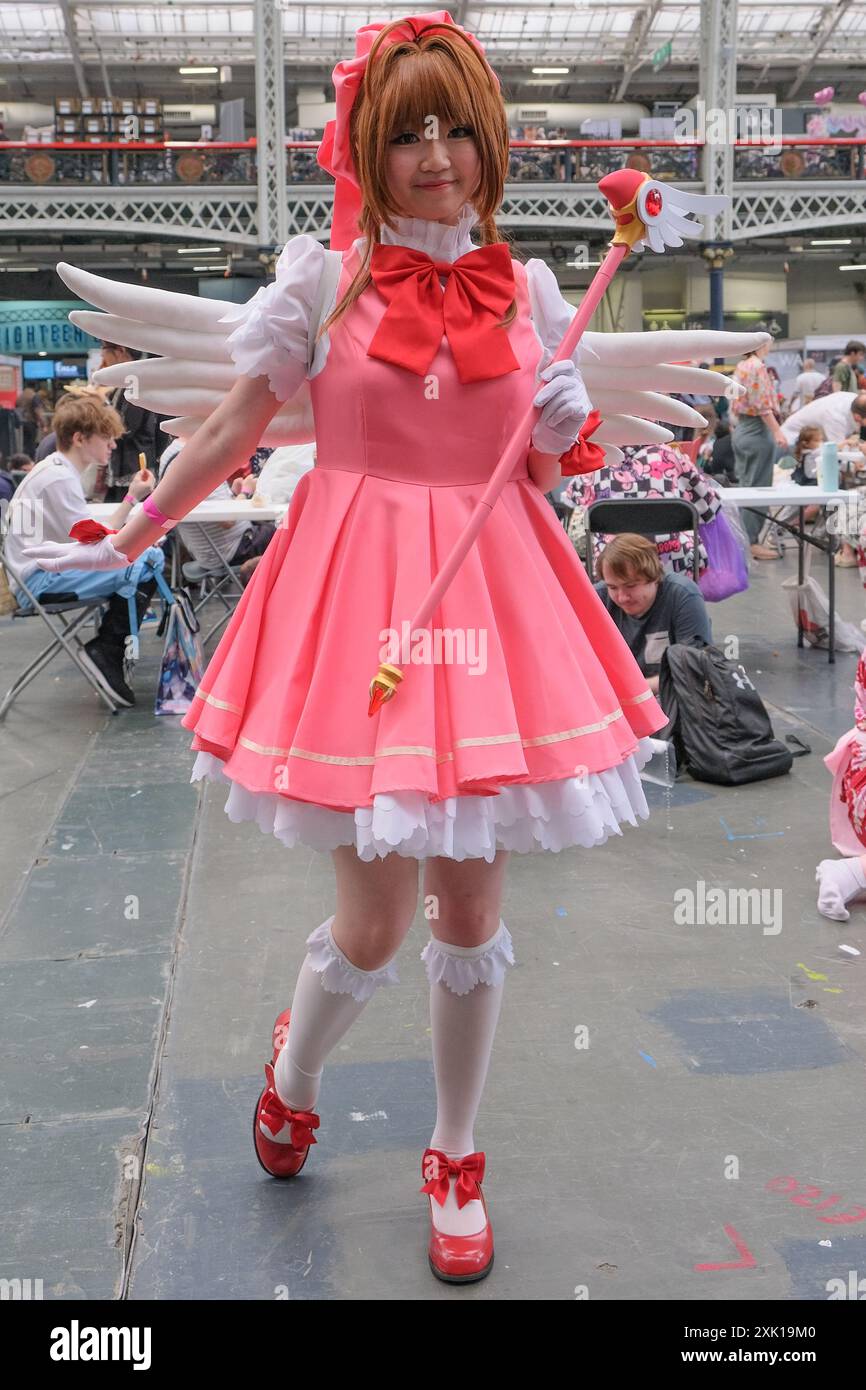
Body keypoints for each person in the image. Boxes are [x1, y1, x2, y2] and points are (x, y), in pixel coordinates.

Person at [20, 12, 762, 1286]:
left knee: (468, 904)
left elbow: (533, 474)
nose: (435, 155)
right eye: (408, 130)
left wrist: (560, 421)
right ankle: (295, 1069)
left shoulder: (531, 293)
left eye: (456, 127)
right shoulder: (319, 278)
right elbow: (232, 431)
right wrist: (127, 527)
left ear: (488, 141)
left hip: (489, 593)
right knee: (368, 924)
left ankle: (454, 1153)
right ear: (367, 143)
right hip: (357, 597)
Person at [3, 394, 166, 708]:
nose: (113, 445)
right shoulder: (59, 478)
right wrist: (133, 502)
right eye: (106, 437)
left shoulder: (53, 471)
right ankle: (107, 651)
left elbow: (94, 539)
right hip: (39, 582)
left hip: (37, 575)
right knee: (146, 560)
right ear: (80, 438)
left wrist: (131, 501)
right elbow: (97, 544)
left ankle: (108, 650)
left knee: (140, 557)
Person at [564, 440, 722, 578]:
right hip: (675, 562)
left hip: (613, 565)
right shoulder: (671, 456)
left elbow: (571, 512)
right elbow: (710, 509)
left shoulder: (592, 461)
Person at [594, 534, 712, 698]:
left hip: (672, 695)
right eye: (613, 587)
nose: (622, 597)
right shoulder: (597, 598)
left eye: (631, 586)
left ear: (654, 577)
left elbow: (695, 668)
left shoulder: (683, 594)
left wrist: (635, 691)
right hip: (618, 697)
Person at [158, 438, 276, 587]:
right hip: (229, 550)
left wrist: (233, 493)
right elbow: (227, 521)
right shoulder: (200, 460)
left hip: (204, 551)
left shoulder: (173, 453)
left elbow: (209, 506)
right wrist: (246, 492)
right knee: (287, 532)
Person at [730, 340, 788, 561]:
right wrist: (778, 432)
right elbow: (762, 405)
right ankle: (750, 542)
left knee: (746, 489)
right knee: (759, 491)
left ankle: (742, 541)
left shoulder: (741, 366)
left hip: (743, 430)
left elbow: (734, 401)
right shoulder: (757, 366)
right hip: (756, 431)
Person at [98, 341, 162, 502]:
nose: (102, 356)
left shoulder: (136, 382)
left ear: (120, 351)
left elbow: (125, 428)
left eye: (104, 350)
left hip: (134, 471)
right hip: (124, 470)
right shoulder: (128, 381)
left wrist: (102, 401)